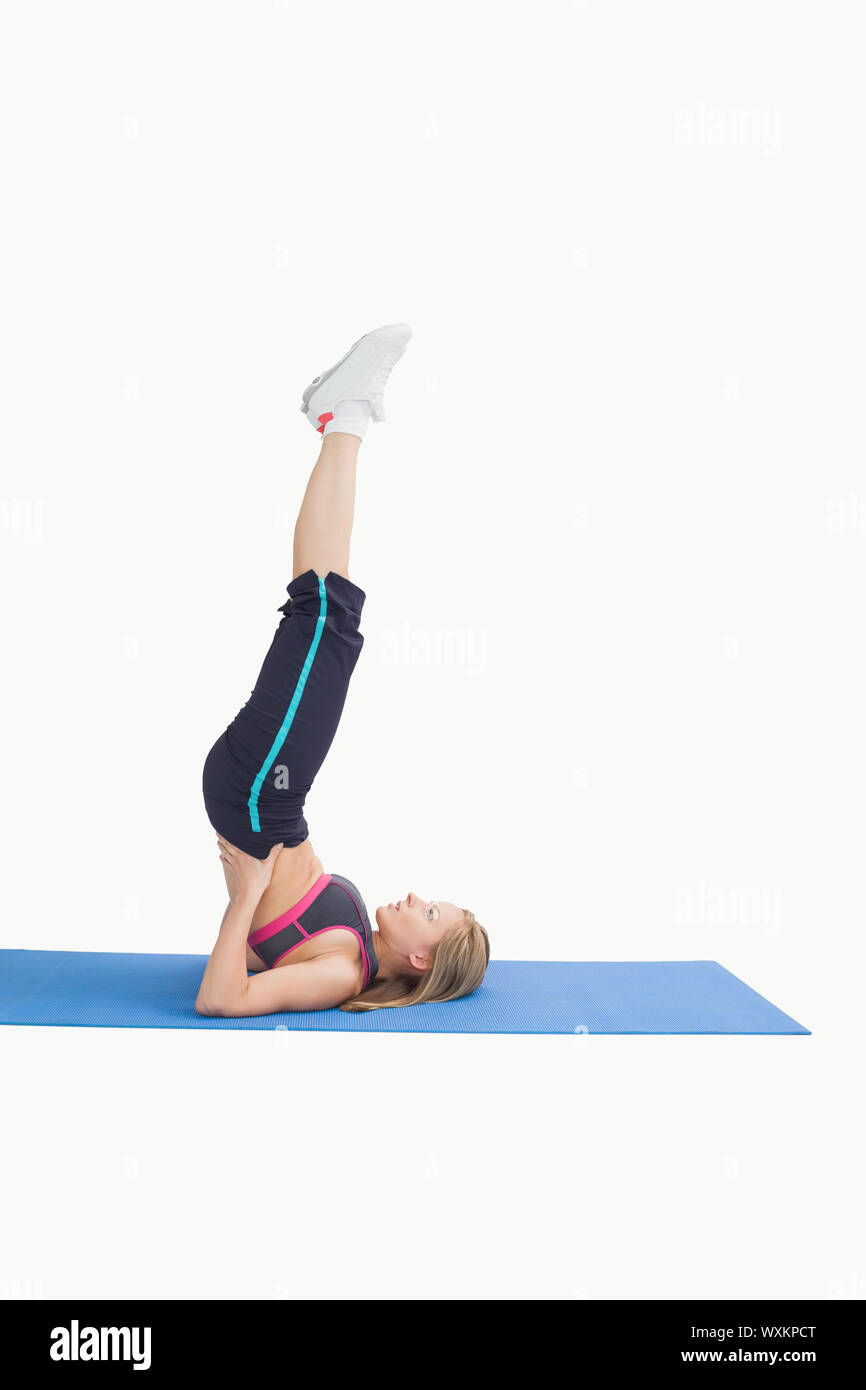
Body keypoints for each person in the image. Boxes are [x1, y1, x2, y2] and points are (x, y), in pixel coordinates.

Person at [197, 325, 489, 1016]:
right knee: (328, 618)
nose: (418, 897)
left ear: (421, 958)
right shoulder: (352, 939)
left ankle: (344, 417)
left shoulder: (340, 973)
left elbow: (220, 999)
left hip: (257, 799)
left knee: (324, 619)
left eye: (430, 911)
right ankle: (340, 419)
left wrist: (243, 901)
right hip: (269, 800)